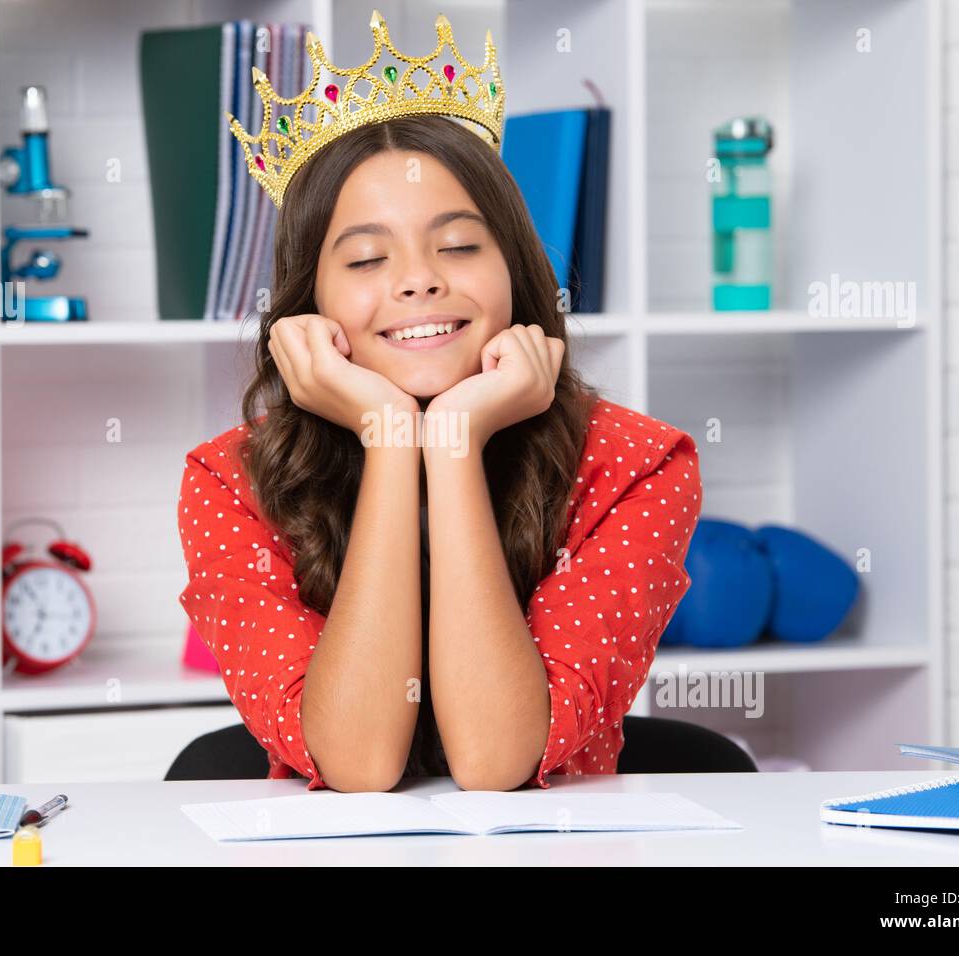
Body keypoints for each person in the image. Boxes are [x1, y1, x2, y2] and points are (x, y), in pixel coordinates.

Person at [177, 10, 702, 793]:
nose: (419, 279)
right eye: (365, 257)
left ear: (516, 270)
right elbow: (358, 763)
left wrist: (452, 439)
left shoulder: (637, 465)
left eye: (459, 245)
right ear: (306, 301)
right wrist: (393, 436)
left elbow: (496, 761)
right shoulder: (229, 482)